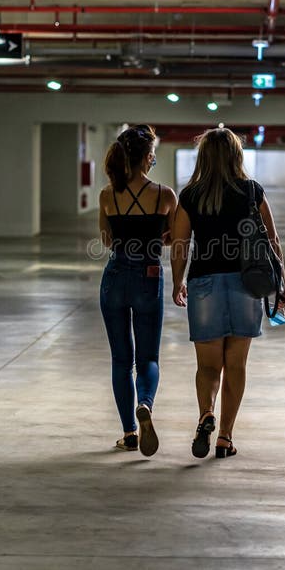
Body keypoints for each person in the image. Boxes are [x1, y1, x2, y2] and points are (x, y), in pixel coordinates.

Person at [171, 127, 285, 459]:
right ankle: (224, 437)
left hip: (205, 284)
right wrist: (282, 284)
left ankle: (206, 412)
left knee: (208, 365)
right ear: (237, 156)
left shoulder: (190, 195)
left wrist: (178, 280)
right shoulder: (252, 191)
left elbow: (180, 245)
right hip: (246, 284)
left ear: (203, 158)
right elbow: (272, 242)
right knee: (235, 364)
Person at [99, 125, 177, 456]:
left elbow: (106, 240)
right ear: (148, 157)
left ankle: (129, 433)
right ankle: (144, 404)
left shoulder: (107, 195)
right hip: (148, 274)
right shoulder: (164, 195)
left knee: (121, 359)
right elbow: (172, 238)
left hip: (115, 275)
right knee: (148, 357)